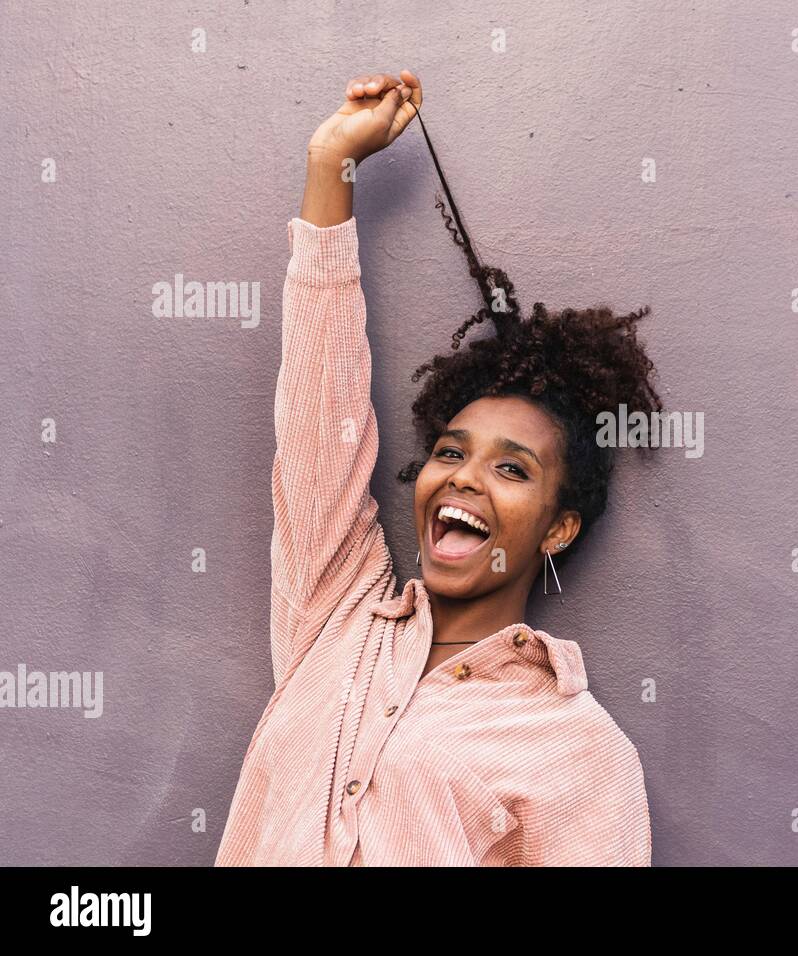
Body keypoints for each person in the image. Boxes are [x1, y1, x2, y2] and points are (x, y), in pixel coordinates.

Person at [214, 70, 661, 866]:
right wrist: (331, 169)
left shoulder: (579, 749)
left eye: (513, 471)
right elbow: (320, 422)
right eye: (450, 452)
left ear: (558, 527)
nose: (462, 476)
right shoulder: (334, 621)